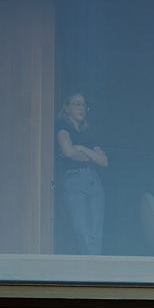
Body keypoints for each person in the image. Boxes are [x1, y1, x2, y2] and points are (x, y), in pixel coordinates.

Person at [56, 93, 107, 254]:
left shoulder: (88, 133)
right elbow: (69, 152)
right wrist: (92, 155)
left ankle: (94, 272)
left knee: (96, 232)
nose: (81, 108)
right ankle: (90, 272)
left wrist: (82, 148)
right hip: (75, 179)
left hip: (94, 181)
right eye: (77, 104)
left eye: (84, 105)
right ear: (67, 108)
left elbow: (104, 162)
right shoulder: (62, 128)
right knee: (83, 230)